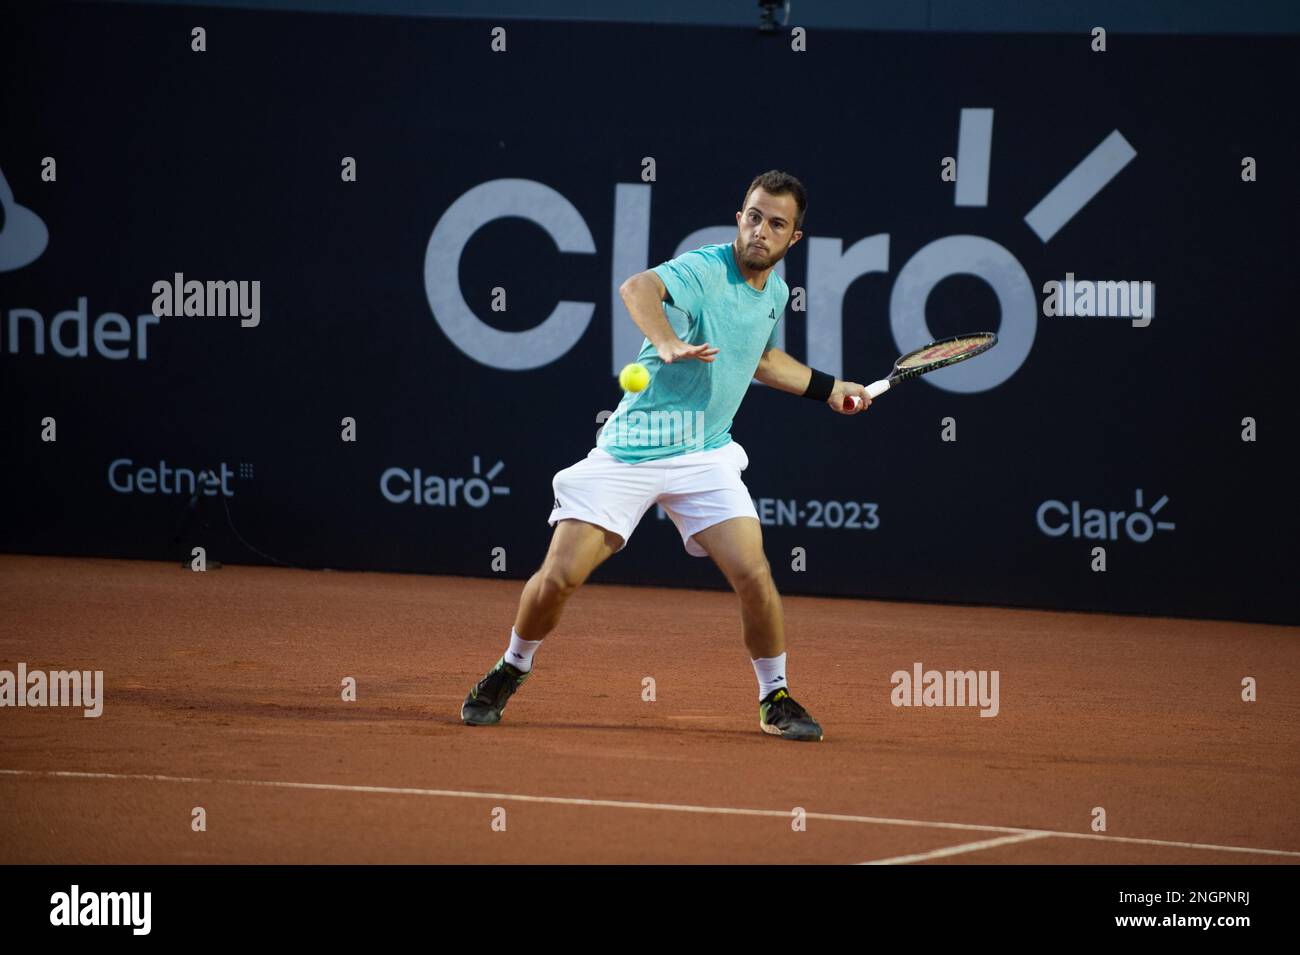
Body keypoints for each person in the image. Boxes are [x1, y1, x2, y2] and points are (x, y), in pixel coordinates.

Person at [461, 170, 871, 741]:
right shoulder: (705, 269)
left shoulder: (773, 292)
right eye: (753, 216)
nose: (760, 231)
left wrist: (829, 388)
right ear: (739, 216)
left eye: (776, 224)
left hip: (705, 455)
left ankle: (774, 696)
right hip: (632, 451)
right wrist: (665, 342)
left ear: (792, 239)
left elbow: (760, 359)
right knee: (557, 579)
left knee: (754, 573)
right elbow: (636, 288)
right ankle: (512, 666)